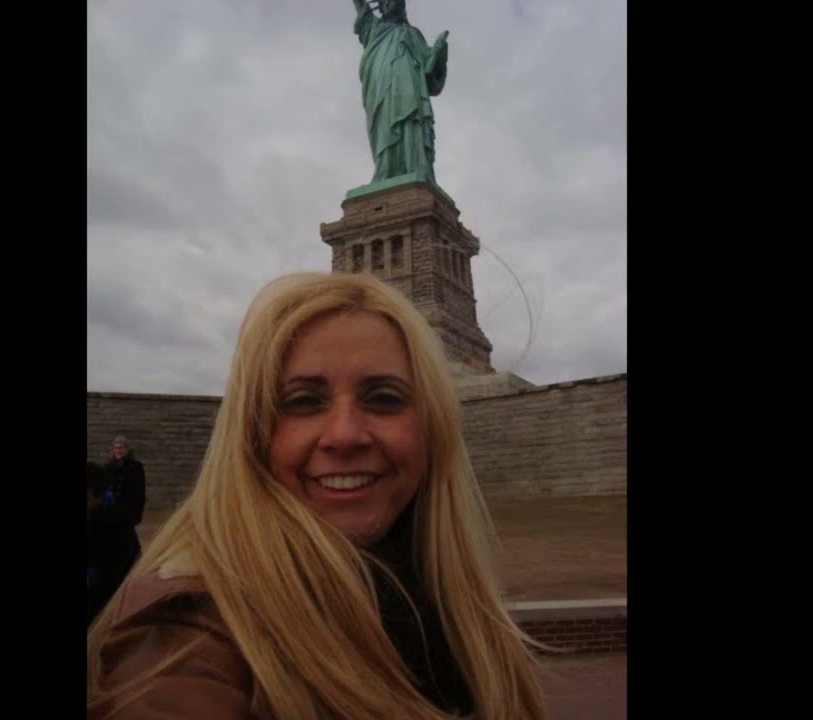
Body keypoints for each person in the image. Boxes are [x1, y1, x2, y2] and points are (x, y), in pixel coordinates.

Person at [87, 272, 548, 719]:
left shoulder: (458, 612)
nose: (344, 436)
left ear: (433, 426)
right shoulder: (187, 630)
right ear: (252, 435)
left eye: (384, 398)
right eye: (303, 401)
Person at [350, 0, 450, 185]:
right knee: (384, 127)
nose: (389, 3)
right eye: (385, 1)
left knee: (410, 121)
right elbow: (360, 6)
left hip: (410, 91)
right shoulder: (374, 28)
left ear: (402, 6)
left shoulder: (413, 34)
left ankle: (414, 167)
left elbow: (430, 72)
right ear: (380, 7)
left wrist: (438, 53)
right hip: (379, 90)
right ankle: (386, 169)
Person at [87, 437, 147, 626]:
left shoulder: (135, 468)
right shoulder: (108, 468)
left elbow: (128, 562)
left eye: (121, 447)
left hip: (106, 598)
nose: (118, 450)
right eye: (115, 447)